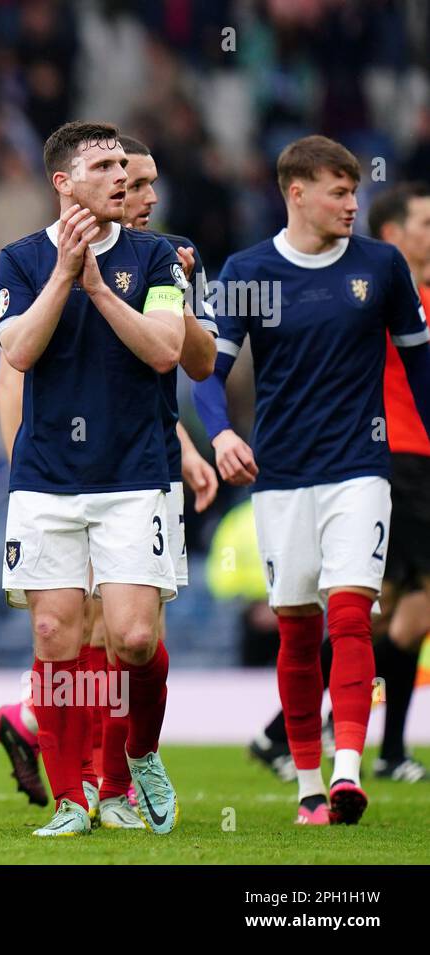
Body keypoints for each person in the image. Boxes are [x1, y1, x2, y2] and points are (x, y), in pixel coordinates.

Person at [194, 136, 430, 825]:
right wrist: (223, 434)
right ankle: (307, 786)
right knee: (298, 629)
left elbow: (418, 370)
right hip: (280, 475)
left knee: (354, 611)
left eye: (355, 192)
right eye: (338, 191)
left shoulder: (382, 267)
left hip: (362, 467)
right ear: (295, 192)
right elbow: (210, 367)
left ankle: (351, 768)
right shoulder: (249, 270)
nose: (351, 204)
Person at [0, 134, 218, 830]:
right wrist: (65, 275)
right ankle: (73, 798)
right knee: (56, 631)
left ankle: (136, 758)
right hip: (48, 476)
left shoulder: (154, 256)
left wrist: (94, 285)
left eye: (127, 167)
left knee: (134, 639)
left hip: (133, 472)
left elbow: (166, 351)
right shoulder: (22, 258)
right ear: (64, 180)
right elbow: (20, 351)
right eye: (106, 167)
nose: (122, 178)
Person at [246, 180, 430, 788]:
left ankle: (363, 745)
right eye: (425, 224)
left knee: (394, 618)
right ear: (397, 233)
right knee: (374, 615)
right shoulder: (373, 283)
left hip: (404, 465)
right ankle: (351, 744)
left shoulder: (398, 286)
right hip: (391, 463)